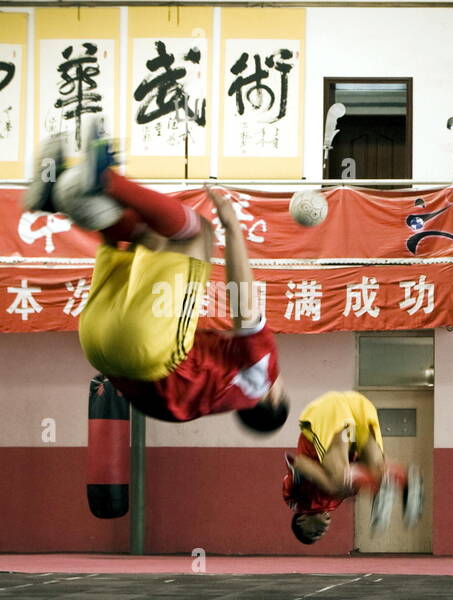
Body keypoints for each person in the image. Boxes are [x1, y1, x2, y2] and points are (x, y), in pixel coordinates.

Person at [26, 120, 288, 431]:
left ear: (272, 399)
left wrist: (232, 228)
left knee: (198, 234)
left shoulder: (261, 381)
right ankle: (58, 198)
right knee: (149, 239)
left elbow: (245, 305)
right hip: (99, 348)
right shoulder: (213, 393)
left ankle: (106, 178)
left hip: (151, 354)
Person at [283, 391, 423, 544]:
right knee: (376, 469)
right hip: (358, 406)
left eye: (314, 534)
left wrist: (331, 485)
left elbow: (300, 463)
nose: (322, 533)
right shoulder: (333, 503)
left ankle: (382, 483)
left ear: (301, 521)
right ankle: (401, 478)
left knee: (338, 482)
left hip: (327, 411)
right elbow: (357, 470)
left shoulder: (295, 500)